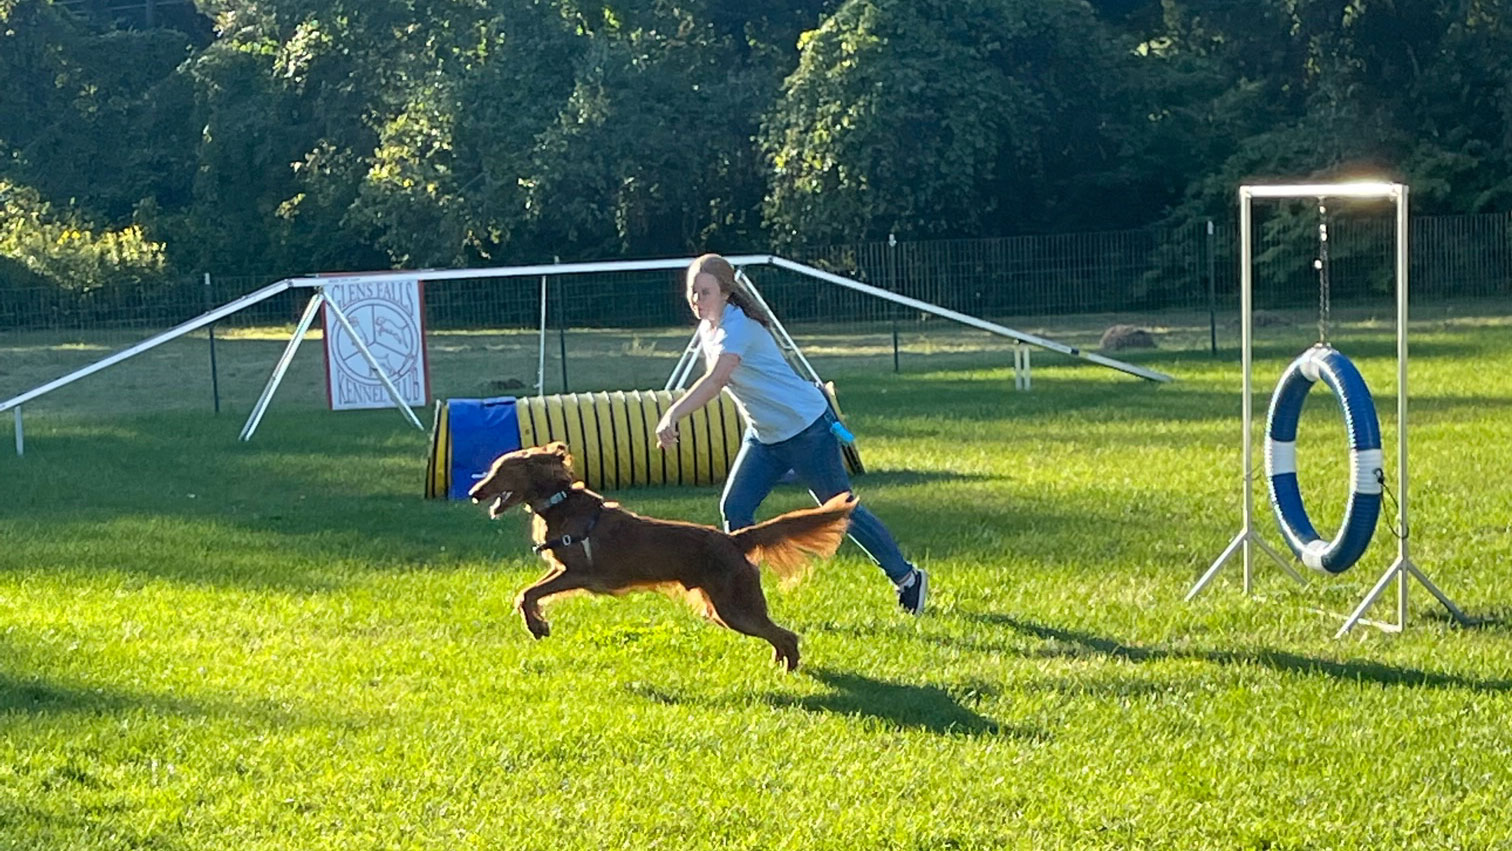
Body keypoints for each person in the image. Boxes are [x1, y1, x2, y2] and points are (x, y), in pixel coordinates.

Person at [654, 253, 928, 614]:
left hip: (806, 429)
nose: (696, 299)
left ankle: (908, 578)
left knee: (839, 510)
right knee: (735, 508)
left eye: (705, 292)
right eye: (692, 291)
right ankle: (742, 596)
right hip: (764, 436)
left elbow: (717, 380)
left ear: (726, 292)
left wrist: (673, 413)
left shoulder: (738, 328)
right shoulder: (710, 328)